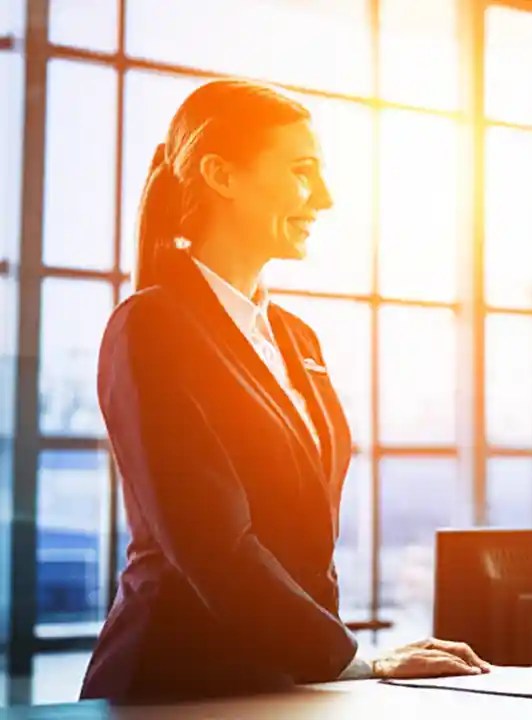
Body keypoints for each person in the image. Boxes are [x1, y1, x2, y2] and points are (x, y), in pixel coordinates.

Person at [81, 79, 490, 703]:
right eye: (302, 172)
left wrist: (337, 662)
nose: (322, 199)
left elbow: (303, 539)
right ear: (221, 174)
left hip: (281, 685)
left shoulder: (296, 339)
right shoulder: (152, 326)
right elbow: (212, 543)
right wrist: (355, 660)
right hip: (177, 688)